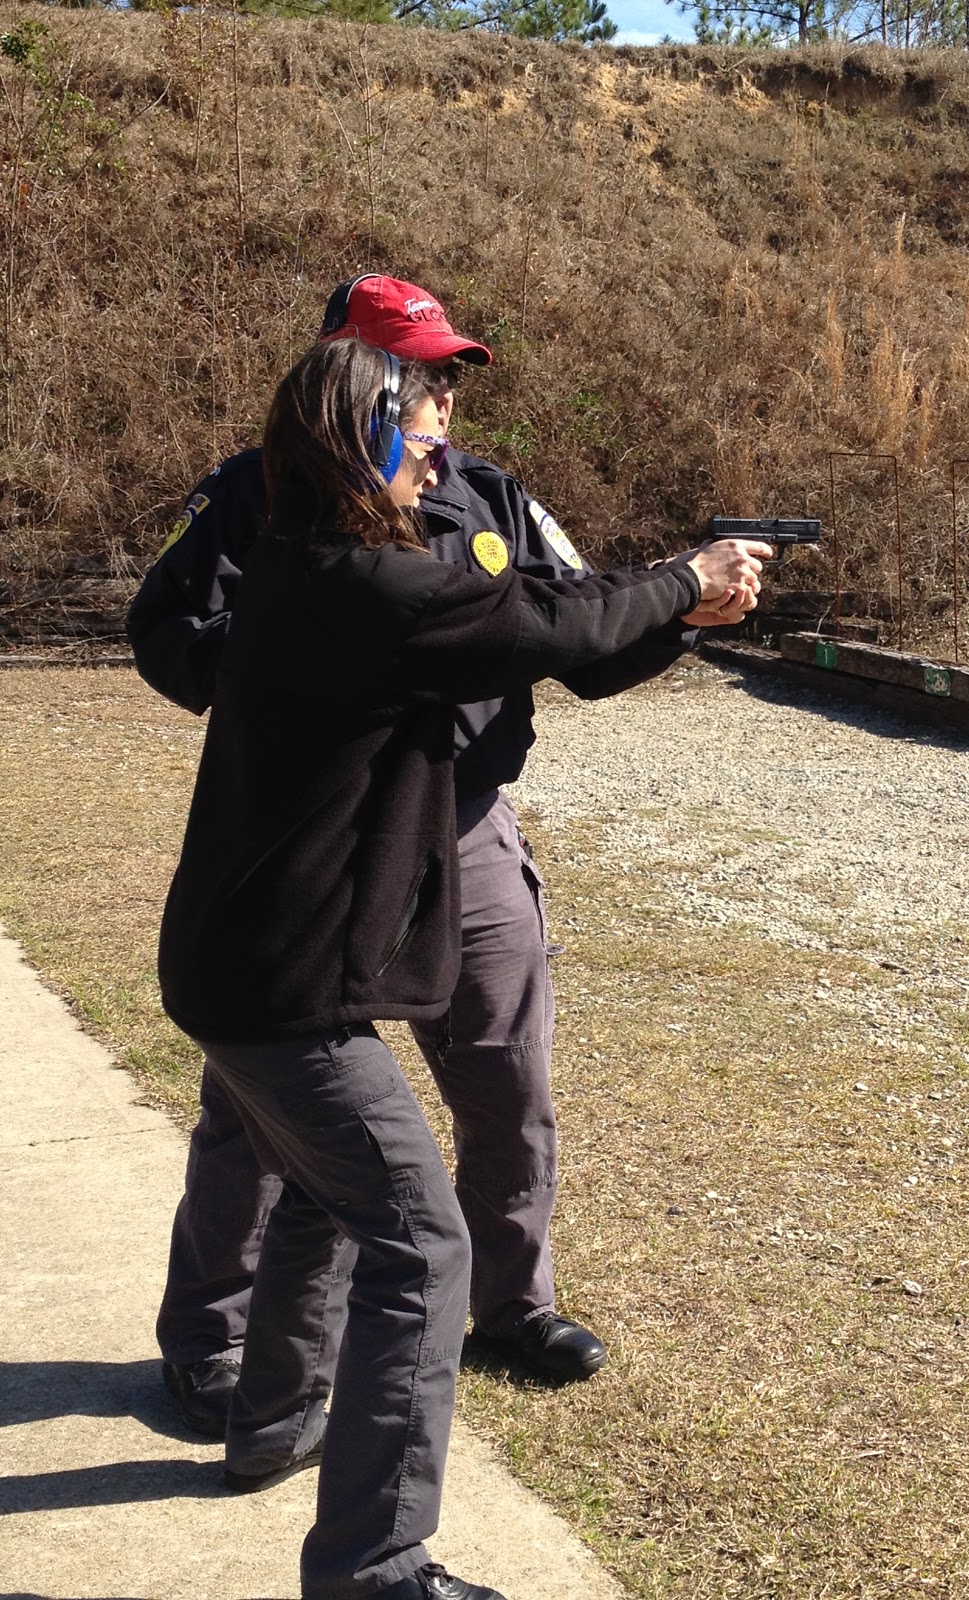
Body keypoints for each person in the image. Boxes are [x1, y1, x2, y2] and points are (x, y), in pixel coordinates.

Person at [156, 336, 766, 1599]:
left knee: (326, 1195)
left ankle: (274, 1421)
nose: (439, 447)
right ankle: (374, 1565)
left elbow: (550, 622)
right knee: (425, 1249)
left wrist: (673, 607)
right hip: (285, 993)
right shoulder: (377, 588)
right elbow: (548, 619)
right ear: (356, 441)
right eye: (414, 424)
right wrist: (686, 577)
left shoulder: (303, 562)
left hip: (244, 968)